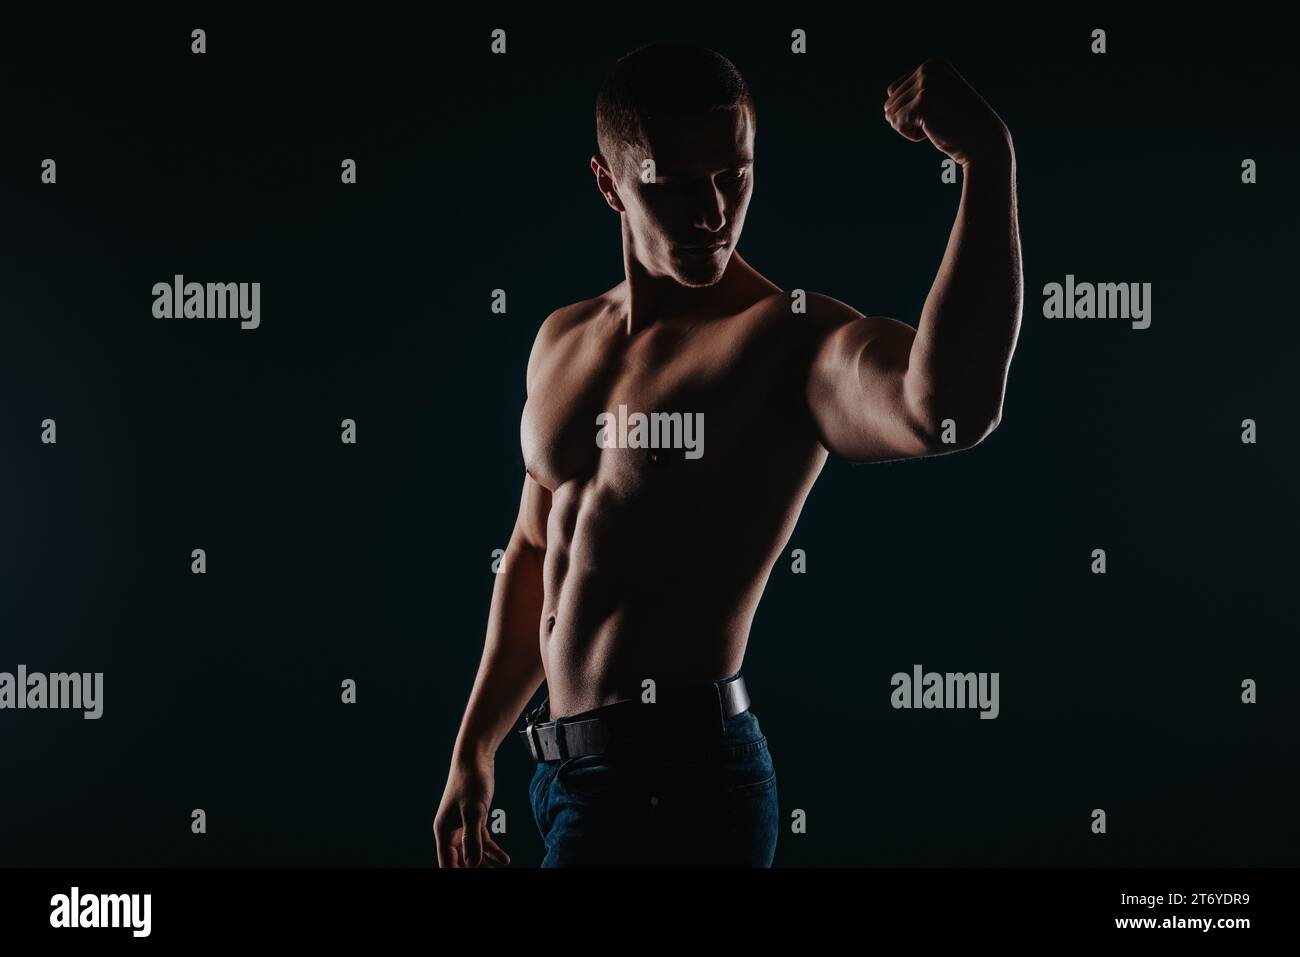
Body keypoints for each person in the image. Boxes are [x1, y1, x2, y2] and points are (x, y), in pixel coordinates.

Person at [434, 41, 1022, 867]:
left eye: (734, 174)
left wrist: (987, 162)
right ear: (610, 185)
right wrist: (475, 745)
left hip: (678, 784)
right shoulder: (561, 339)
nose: (713, 211)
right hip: (564, 779)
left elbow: (948, 412)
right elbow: (535, 549)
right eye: (674, 185)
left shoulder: (788, 338)